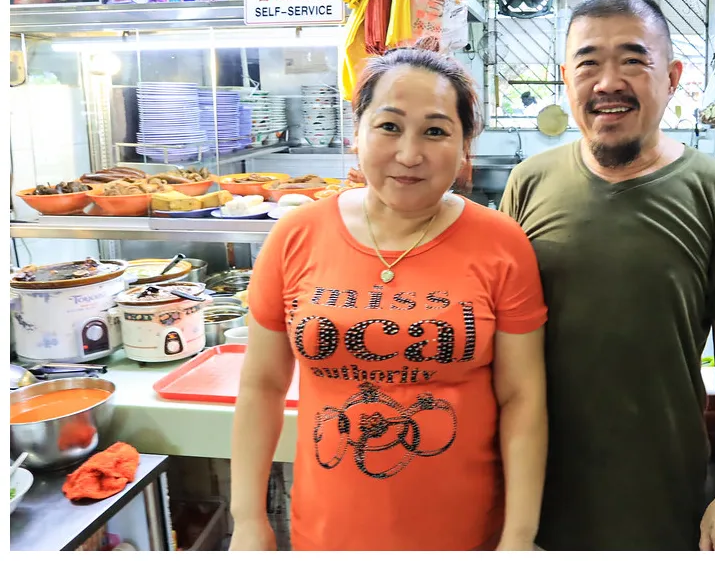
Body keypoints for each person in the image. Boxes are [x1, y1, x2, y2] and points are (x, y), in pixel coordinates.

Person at [230, 47, 549, 552]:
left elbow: (523, 399)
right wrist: (247, 521)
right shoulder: (296, 236)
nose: (409, 154)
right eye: (389, 126)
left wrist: (519, 537)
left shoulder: (502, 245)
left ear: (466, 144)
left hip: (466, 535)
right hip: (327, 535)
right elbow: (262, 387)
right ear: (357, 132)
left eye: (437, 131)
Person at [501, 0, 715, 551]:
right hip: (534, 494)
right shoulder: (529, 182)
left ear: (671, 76)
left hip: (664, 494)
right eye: (589, 62)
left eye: (632, 60)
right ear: (565, 78)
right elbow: (500, 340)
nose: (608, 82)